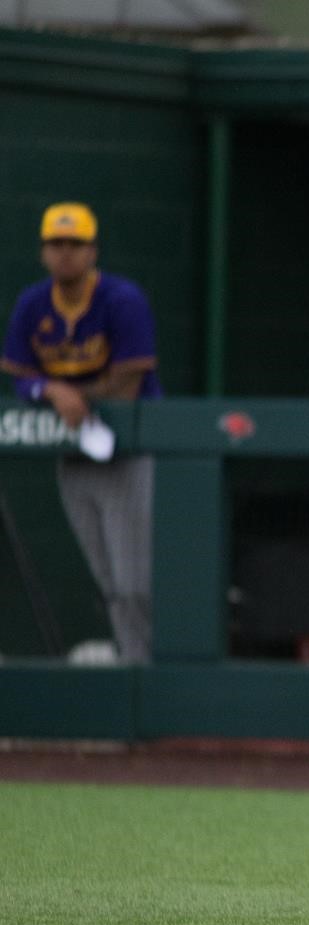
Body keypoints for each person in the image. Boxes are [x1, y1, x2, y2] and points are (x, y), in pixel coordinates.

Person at [0, 203, 157, 662]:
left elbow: (129, 382)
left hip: (127, 451)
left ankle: (151, 675)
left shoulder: (121, 299)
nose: (65, 254)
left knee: (134, 584)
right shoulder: (33, 304)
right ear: (44, 252)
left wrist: (74, 395)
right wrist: (51, 389)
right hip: (74, 454)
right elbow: (19, 374)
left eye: (75, 244)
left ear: (93, 251)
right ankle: (132, 667)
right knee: (109, 582)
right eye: (56, 244)